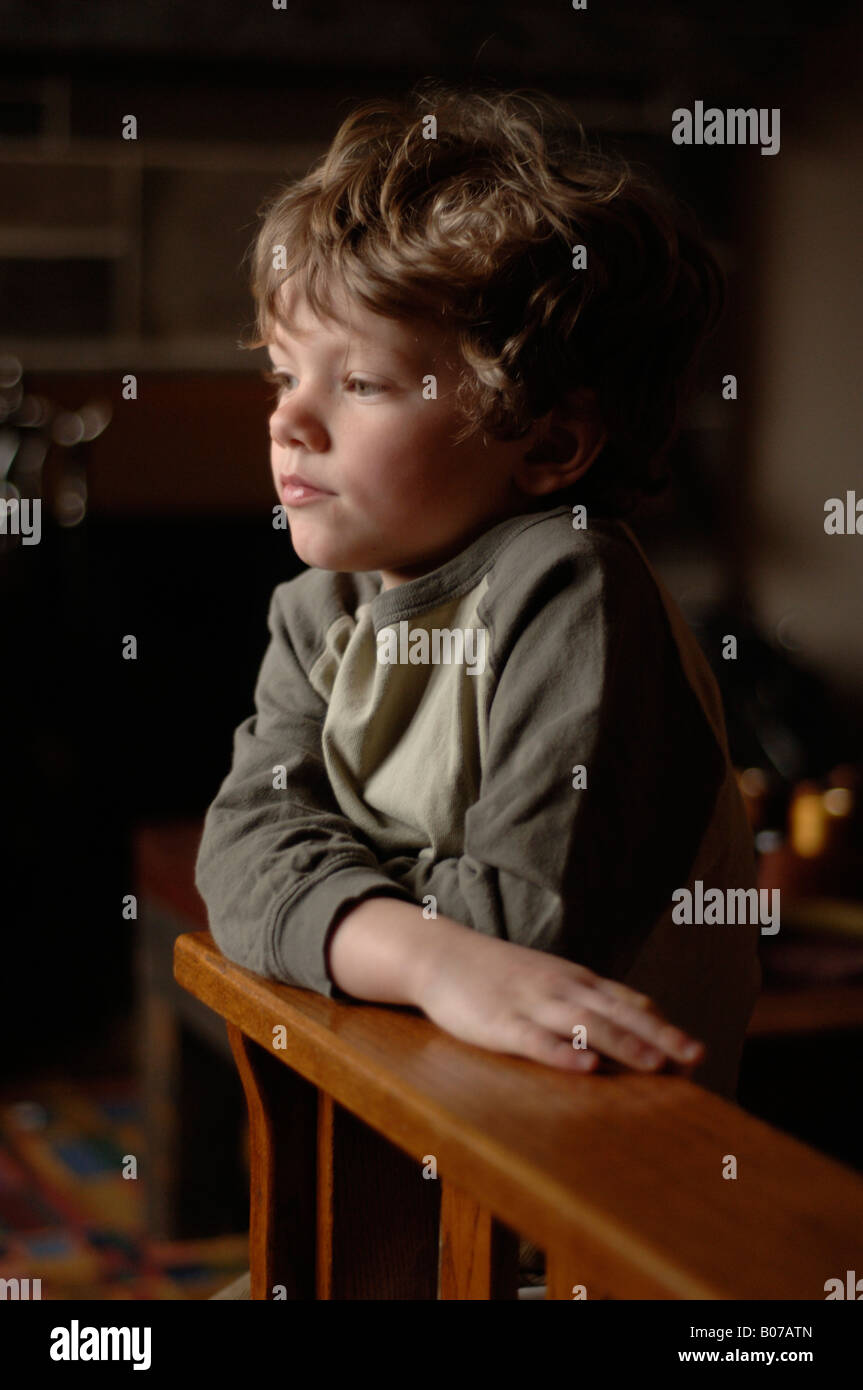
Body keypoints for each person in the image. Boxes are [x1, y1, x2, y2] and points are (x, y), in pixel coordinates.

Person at [196, 82, 761, 1114]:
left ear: (546, 440)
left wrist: (337, 907)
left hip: (589, 1173)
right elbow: (239, 853)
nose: (290, 422)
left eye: (358, 384)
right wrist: (423, 957)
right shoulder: (318, 607)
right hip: (419, 1117)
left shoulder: (570, 587)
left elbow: (512, 933)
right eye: (282, 374)